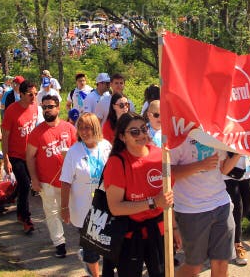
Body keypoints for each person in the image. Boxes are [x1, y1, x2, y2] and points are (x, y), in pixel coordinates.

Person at [105, 113, 174, 277]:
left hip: (159, 232)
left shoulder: (161, 155)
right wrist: (153, 202)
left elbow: (169, 197)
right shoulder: (117, 163)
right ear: (122, 137)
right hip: (130, 236)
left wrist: (175, 227)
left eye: (144, 129)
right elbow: (115, 207)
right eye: (134, 132)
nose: (142, 135)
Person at [170, 130, 242, 277]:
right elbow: (168, 172)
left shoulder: (214, 130)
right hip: (191, 210)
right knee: (194, 266)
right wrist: (200, 165)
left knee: (222, 262)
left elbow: (223, 169)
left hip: (221, 204)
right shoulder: (177, 134)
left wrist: (239, 152)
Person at [60, 113, 113, 277]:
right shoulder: (74, 151)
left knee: (108, 244)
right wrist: (64, 207)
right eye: (81, 128)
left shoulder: (106, 146)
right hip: (83, 209)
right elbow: (65, 181)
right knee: (91, 249)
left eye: (87, 127)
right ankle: (94, 274)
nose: (84, 131)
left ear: (96, 128)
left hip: (106, 207)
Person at [26, 94, 77, 257]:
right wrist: (34, 179)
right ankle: (59, 243)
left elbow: (78, 151)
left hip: (69, 181)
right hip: (46, 181)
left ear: (58, 108)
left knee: (75, 209)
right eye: (44, 107)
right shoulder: (37, 132)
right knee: (52, 212)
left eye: (50, 106)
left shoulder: (69, 128)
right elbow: (30, 157)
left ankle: (87, 240)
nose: (46, 110)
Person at [1, 79, 42, 235]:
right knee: (25, 184)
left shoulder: (34, 108)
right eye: (30, 94)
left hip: (30, 154)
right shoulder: (12, 111)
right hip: (15, 155)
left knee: (25, 183)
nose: (33, 97)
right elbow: (5, 137)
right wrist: (5, 159)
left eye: (35, 94)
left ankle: (14, 200)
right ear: (21, 94)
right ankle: (26, 218)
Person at [224, 153, 250, 266]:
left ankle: (229, 231)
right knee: (237, 208)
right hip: (228, 171)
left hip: (247, 171)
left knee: (247, 205)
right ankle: (238, 245)